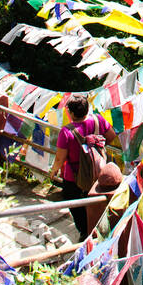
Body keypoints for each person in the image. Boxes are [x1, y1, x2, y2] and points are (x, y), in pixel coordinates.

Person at [49, 95, 115, 241]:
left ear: (71, 113)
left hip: (74, 176)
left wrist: (53, 170)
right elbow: (111, 135)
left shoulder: (67, 132)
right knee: (95, 202)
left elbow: (60, 158)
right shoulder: (98, 120)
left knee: (74, 203)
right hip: (97, 172)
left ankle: (85, 233)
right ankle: (96, 231)